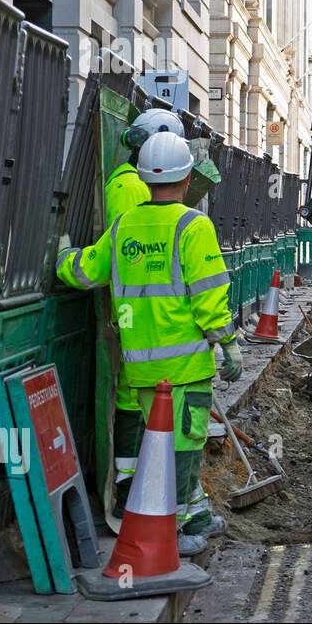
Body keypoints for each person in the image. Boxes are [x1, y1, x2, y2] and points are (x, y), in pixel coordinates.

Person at [58, 132, 241, 554]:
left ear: (142, 175)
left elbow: (87, 271)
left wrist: (63, 257)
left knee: (161, 445)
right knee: (182, 448)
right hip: (186, 368)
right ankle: (173, 533)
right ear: (188, 176)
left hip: (140, 368)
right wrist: (228, 343)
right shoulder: (193, 226)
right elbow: (209, 293)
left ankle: (192, 515)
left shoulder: (124, 226)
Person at [101, 108, 187, 514]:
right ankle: (131, 488)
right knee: (138, 398)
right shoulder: (131, 189)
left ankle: (135, 484)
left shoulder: (134, 186)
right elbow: (120, 254)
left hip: (143, 321)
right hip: (142, 323)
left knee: (140, 398)